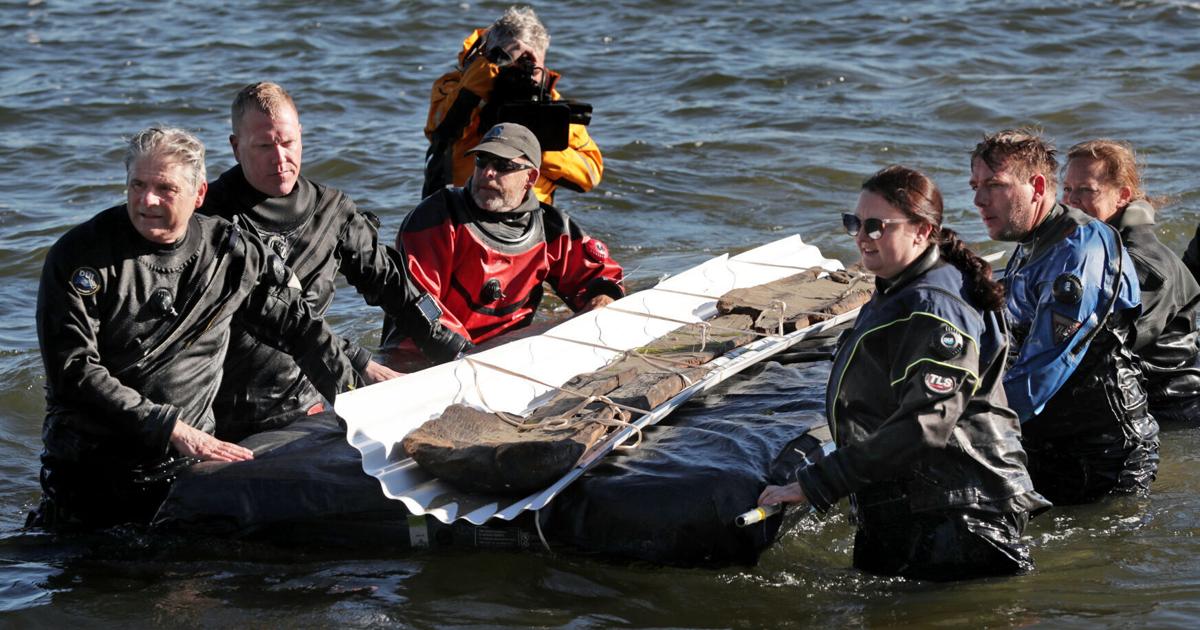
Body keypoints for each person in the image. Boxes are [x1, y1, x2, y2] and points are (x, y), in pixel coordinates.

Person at [32, 127, 357, 529]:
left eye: (164, 188)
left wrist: (358, 403)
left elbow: (300, 329)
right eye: (137, 184)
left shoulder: (229, 252)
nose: (146, 200)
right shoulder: (79, 257)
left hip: (190, 469)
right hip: (94, 472)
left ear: (198, 195)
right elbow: (74, 371)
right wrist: (170, 427)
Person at [758, 165, 1048, 581]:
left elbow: (925, 426)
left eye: (876, 226)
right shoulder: (900, 286)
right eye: (854, 223)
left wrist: (821, 481)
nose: (861, 236)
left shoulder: (935, 307)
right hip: (918, 499)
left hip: (959, 513)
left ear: (921, 232)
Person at [201, 82, 415, 441]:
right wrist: (360, 363)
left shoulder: (332, 212)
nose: (280, 159)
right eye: (264, 146)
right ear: (236, 148)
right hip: (226, 412)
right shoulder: (209, 224)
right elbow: (269, 315)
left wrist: (457, 352)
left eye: (287, 143)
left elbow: (397, 292)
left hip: (308, 398)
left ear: (300, 134)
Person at [970, 129, 1158, 505]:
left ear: (1037, 185)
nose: (978, 199)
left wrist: (961, 428)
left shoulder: (1080, 250)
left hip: (1103, 458)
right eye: (974, 185)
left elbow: (1042, 370)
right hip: (1049, 440)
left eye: (994, 184)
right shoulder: (1033, 242)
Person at [384, 122, 623, 364]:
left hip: (506, 356)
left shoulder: (551, 229)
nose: (488, 172)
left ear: (530, 178)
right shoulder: (436, 219)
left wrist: (602, 300)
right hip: (420, 360)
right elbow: (418, 307)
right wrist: (473, 355)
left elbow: (601, 276)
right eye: (482, 161)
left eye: (502, 166)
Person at [1063, 140, 1200, 425]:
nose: (1071, 201)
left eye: (1086, 190)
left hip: (1174, 408)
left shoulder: (1143, 268)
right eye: (1067, 190)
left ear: (1122, 195)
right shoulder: (1095, 248)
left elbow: (1103, 346)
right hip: (1134, 397)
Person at [422, 5, 602, 205]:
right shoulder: (457, 87)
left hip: (528, 216)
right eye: (512, 63)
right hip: (461, 206)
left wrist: (538, 143)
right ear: (491, 56)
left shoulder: (551, 106)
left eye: (532, 66)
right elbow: (439, 131)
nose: (521, 73)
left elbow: (591, 175)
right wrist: (483, 77)